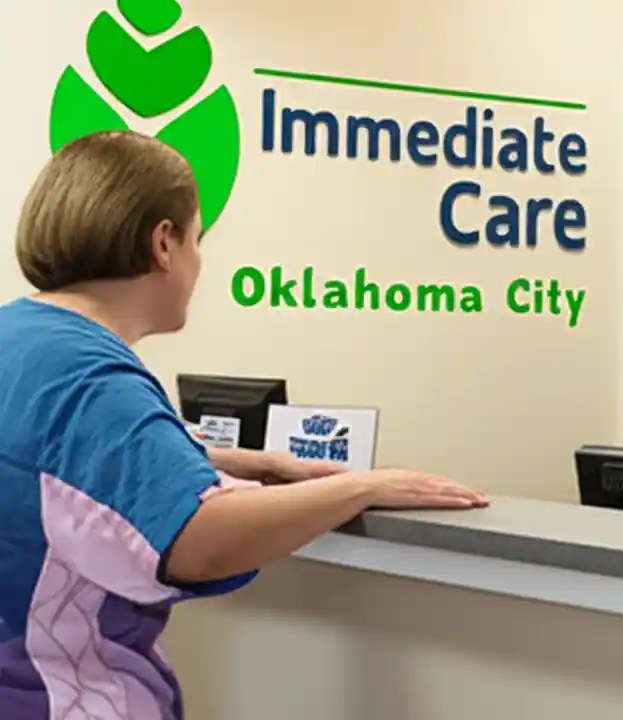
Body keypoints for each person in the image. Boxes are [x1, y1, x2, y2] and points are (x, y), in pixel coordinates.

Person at [0, 130, 489, 720]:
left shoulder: (21, 340)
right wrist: (363, 486)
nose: (198, 263)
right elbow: (195, 538)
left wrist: (235, 462)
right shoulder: (89, 373)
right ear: (163, 243)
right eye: (196, 239)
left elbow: (51, 461)